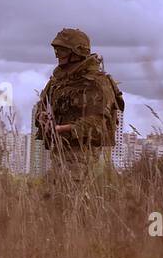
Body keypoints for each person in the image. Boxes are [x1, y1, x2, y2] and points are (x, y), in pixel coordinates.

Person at [34, 28, 124, 176]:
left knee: (71, 197)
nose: (57, 55)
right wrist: (42, 117)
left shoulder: (97, 83)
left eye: (62, 50)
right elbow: (42, 105)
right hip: (59, 153)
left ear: (77, 52)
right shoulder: (58, 81)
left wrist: (65, 128)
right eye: (56, 50)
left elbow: (100, 124)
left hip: (83, 157)